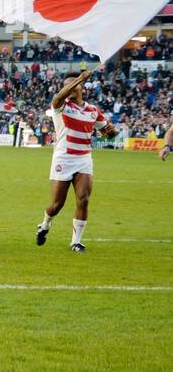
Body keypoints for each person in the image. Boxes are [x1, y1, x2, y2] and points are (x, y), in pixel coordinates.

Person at [36, 69, 116, 252]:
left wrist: (111, 132)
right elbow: (56, 98)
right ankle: (45, 225)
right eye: (65, 86)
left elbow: (107, 134)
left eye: (73, 85)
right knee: (57, 205)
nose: (69, 88)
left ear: (82, 88)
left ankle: (76, 242)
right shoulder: (60, 106)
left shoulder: (93, 110)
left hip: (84, 158)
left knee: (84, 199)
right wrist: (79, 79)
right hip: (63, 158)